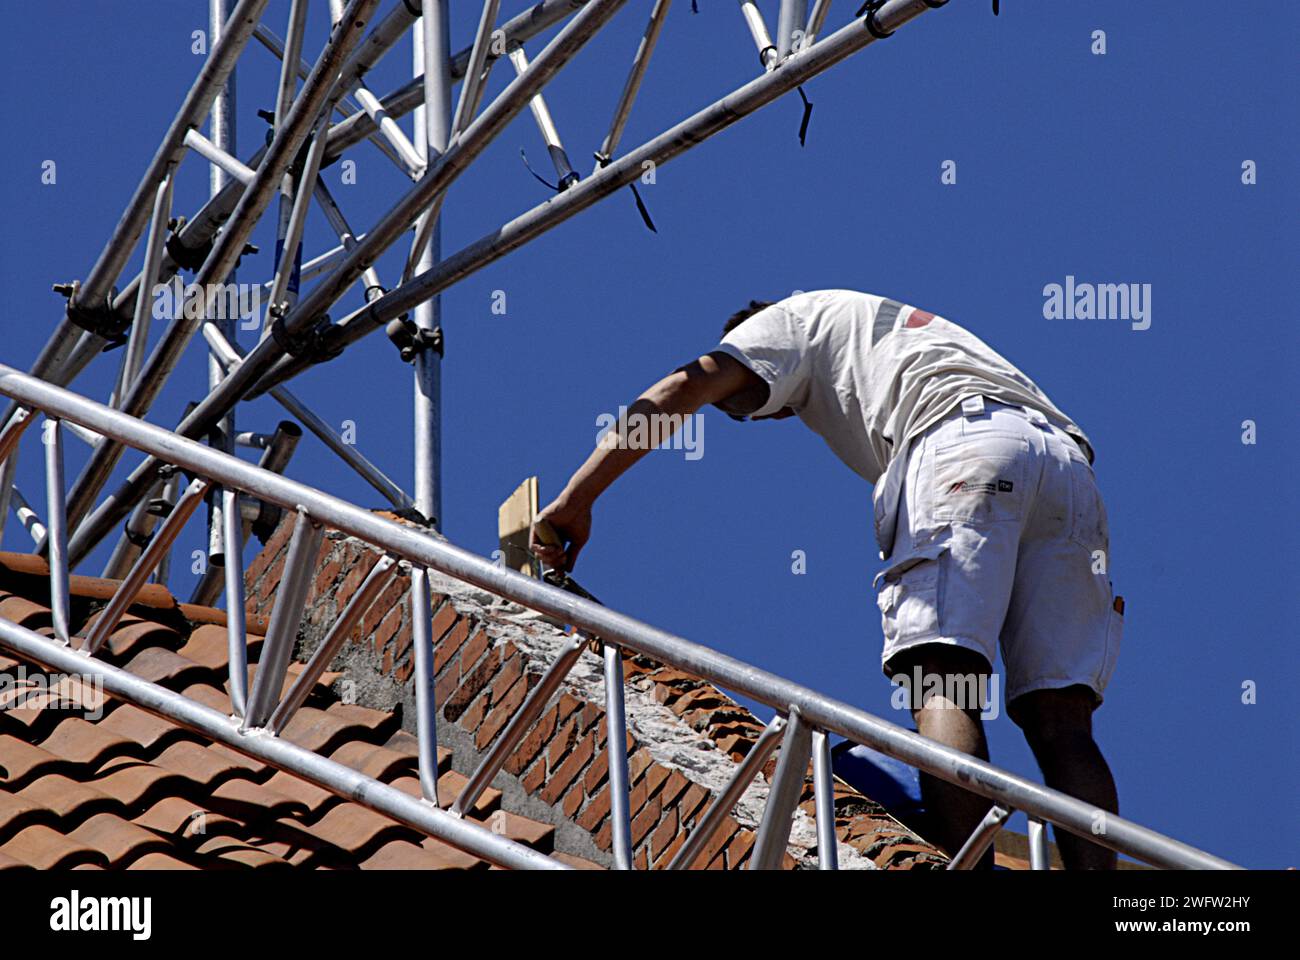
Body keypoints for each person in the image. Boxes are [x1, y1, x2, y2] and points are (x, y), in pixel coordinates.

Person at [530, 289, 1122, 869]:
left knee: (943, 678)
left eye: (741, 405)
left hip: (964, 447)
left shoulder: (786, 322)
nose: (753, 414)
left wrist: (575, 501)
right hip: (1067, 467)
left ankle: (967, 866)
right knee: (1059, 717)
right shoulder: (880, 335)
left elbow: (683, 387)